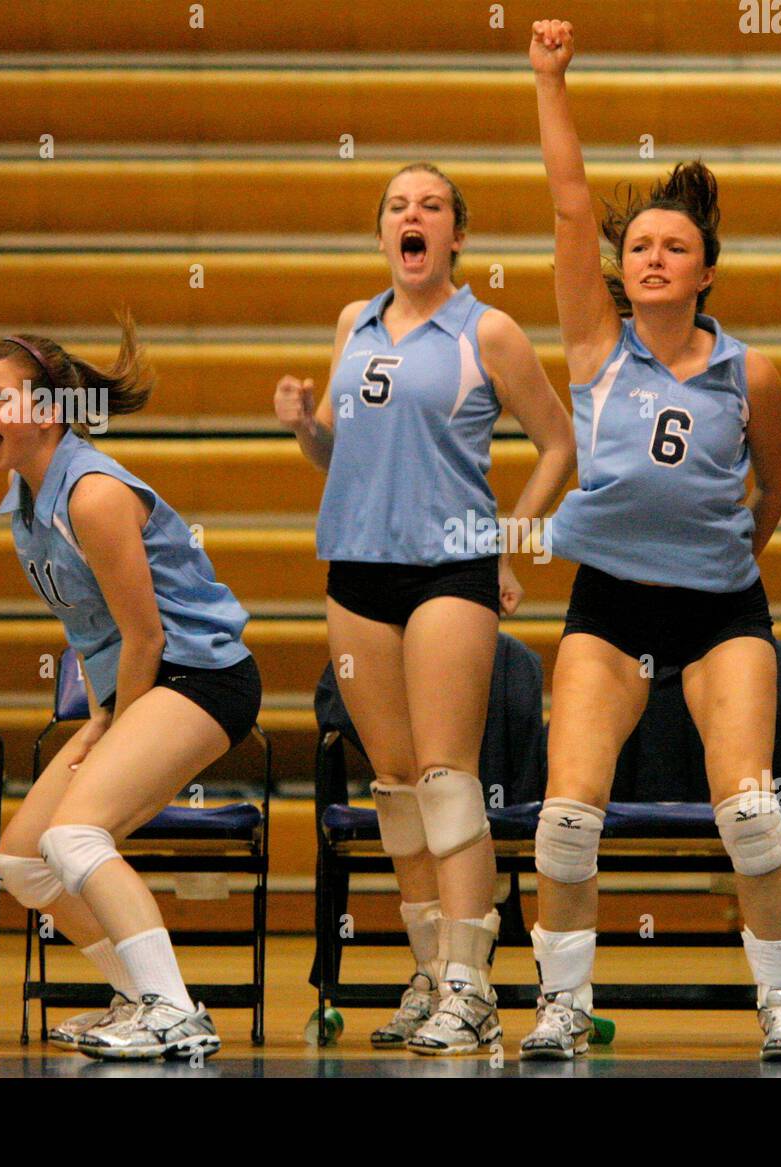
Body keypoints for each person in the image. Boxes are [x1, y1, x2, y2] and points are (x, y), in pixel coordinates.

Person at [524, 20, 781, 1062]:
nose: (650, 257)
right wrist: (551, 79)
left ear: (704, 272)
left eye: (671, 247)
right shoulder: (594, 346)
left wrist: (729, 548)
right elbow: (566, 205)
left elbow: (774, 485)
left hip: (720, 611)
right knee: (565, 818)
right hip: (609, 601)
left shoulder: (753, 374)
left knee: (748, 811)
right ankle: (562, 1002)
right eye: (638, 245)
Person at [274, 162, 575, 1054]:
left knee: (446, 782)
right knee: (398, 789)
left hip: (451, 566)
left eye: (431, 206)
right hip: (356, 572)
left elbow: (558, 443)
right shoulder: (352, 324)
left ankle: (473, 986)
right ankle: (430, 969)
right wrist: (302, 425)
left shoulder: (489, 330)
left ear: (456, 236)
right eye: (398, 206)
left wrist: (513, 541)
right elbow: (336, 452)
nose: (414, 216)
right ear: (383, 235)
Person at [0, 317, 261, 1060]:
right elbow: (91, 628)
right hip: (148, 680)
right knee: (22, 860)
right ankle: (135, 993)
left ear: (47, 412)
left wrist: (112, 726)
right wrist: (104, 715)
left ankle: (175, 1010)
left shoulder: (93, 494)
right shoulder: (27, 502)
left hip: (203, 676)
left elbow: (147, 636)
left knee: (74, 835)